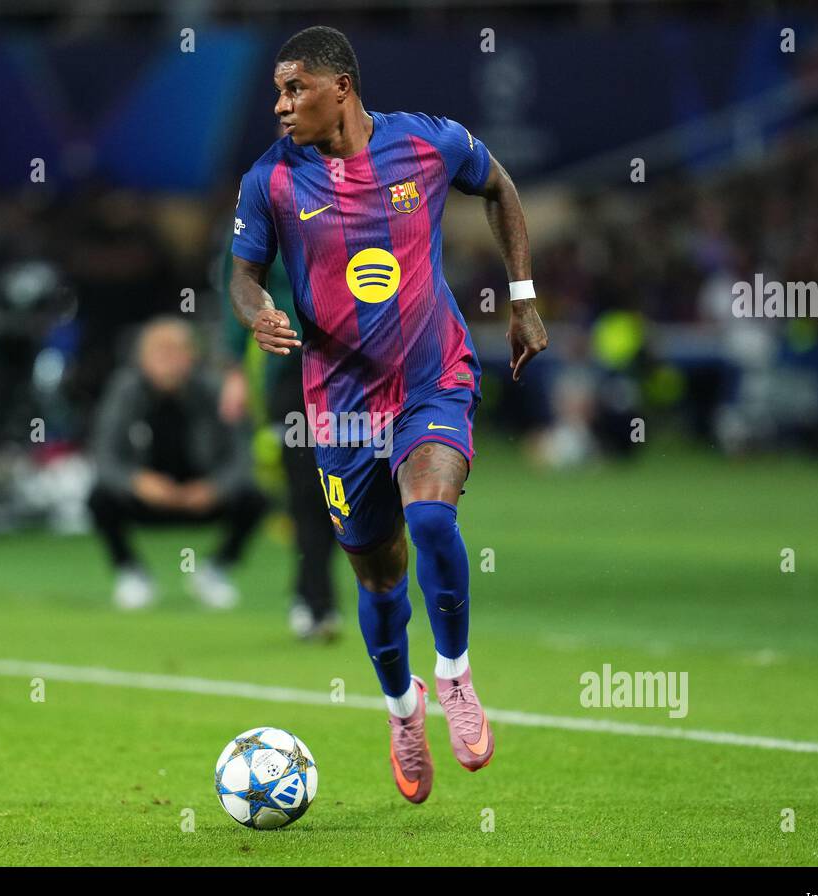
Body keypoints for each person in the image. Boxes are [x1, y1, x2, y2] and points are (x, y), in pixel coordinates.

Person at [228, 26, 547, 804]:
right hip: (338, 405)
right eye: (276, 91)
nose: (280, 105)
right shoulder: (269, 181)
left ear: (341, 86)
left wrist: (524, 297)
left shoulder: (427, 145)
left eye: (293, 88)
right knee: (377, 578)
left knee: (432, 518)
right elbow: (241, 275)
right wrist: (257, 311)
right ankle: (404, 712)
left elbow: (501, 186)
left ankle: (455, 677)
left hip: (432, 376)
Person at [219, 177, 340, 643]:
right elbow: (237, 281)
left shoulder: (365, 197)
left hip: (364, 369)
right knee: (308, 488)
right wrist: (234, 366)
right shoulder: (262, 205)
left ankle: (366, 602)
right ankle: (315, 602)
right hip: (295, 367)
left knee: (362, 492)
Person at [87, 317, 268, 610]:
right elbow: (105, 456)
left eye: (176, 351)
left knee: (255, 497)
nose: (168, 361)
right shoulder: (125, 391)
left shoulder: (215, 389)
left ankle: (215, 571)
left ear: (192, 355)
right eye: (159, 352)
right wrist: (138, 482)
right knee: (100, 498)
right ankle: (131, 573)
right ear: (142, 358)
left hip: (201, 495)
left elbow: (242, 454)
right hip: (148, 496)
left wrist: (215, 487)